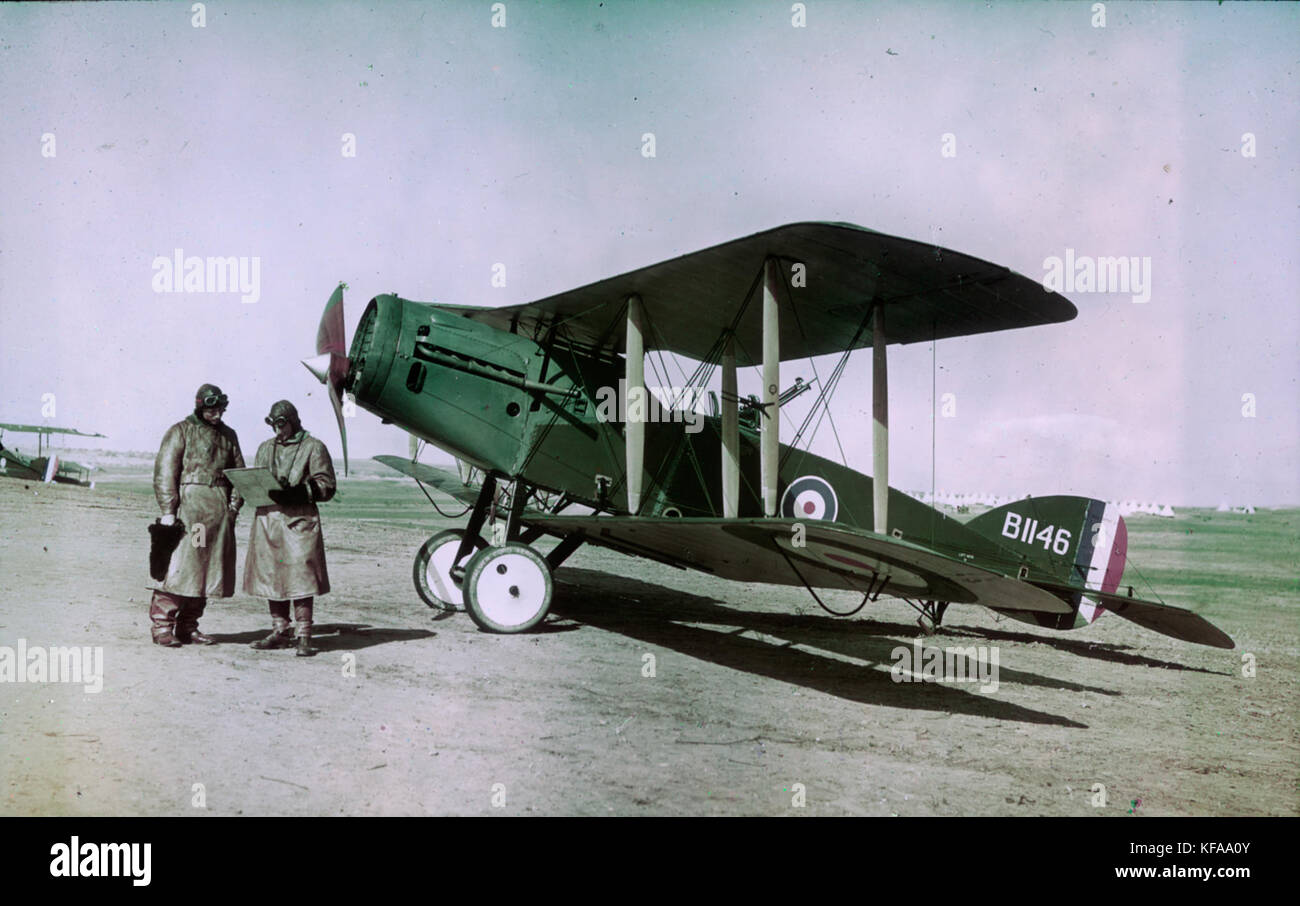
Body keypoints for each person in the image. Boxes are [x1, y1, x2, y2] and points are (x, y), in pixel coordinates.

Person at [150, 384, 244, 646]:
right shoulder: (181, 431)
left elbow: (239, 474)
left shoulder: (229, 436)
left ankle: (188, 626)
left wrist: (233, 508)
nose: (217, 414)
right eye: (212, 409)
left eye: (220, 409)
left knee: (207, 570)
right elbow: (165, 473)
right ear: (201, 406)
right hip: (190, 510)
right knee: (182, 567)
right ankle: (162, 626)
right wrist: (168, 511)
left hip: (218, 513)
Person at [244, 400, 336, 657]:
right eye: (272, 423)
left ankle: (304, 633)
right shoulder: (265, 448)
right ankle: (280, 630)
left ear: (293, 420)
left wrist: (298, 493)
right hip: (268, 520)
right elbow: (256, 478)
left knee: (301, 576)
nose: (277, 429)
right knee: (271, 575)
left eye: (281, 423)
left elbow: (327, 485)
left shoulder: (313, 447)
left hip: (299, 522)